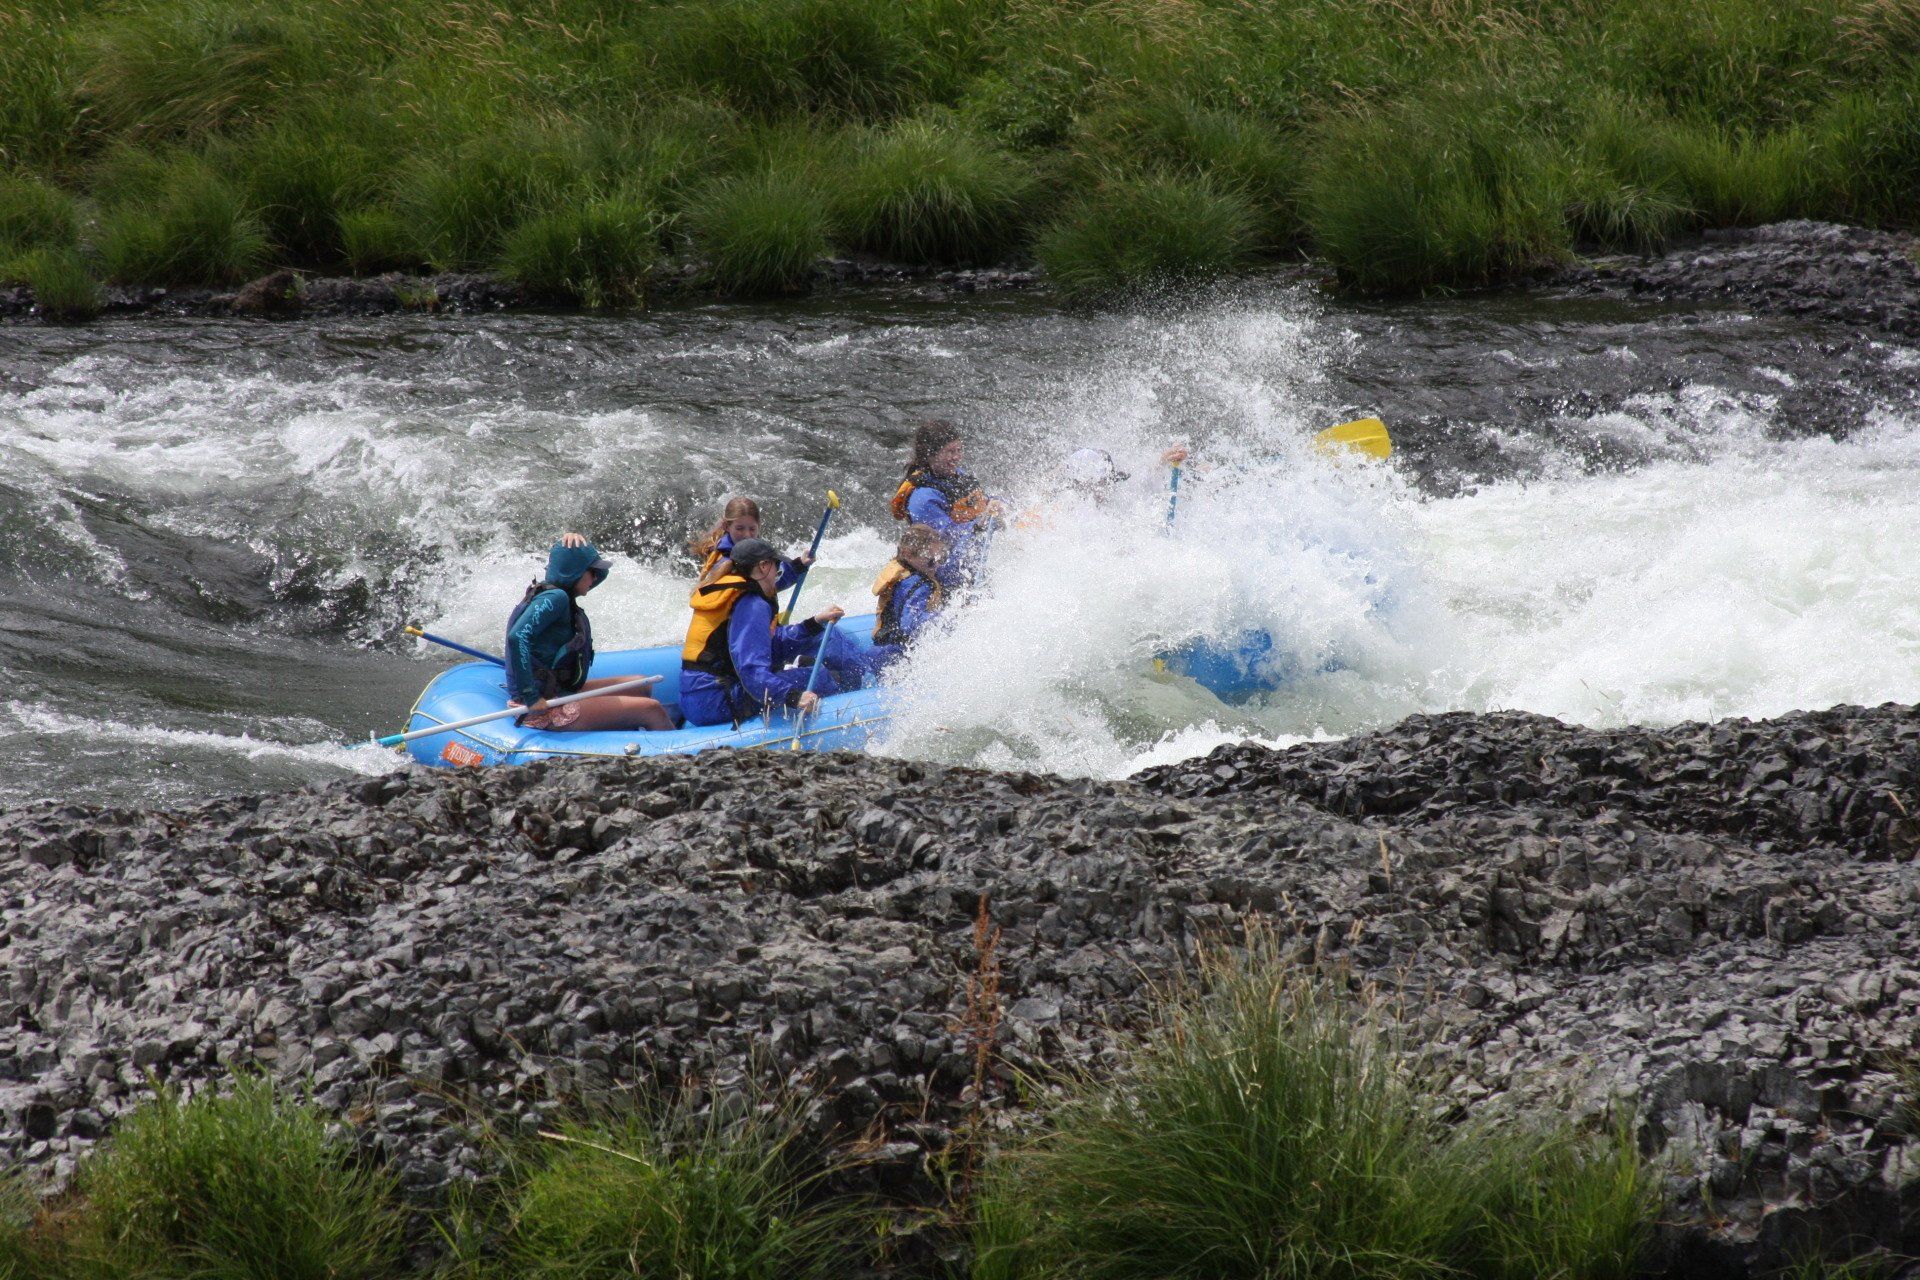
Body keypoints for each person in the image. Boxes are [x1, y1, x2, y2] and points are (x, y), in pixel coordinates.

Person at [680, 537, 869, 727]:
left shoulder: (741, 595)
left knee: (813, 660)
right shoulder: (752, 605)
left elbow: (768, 644)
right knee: (820, 676)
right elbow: (751, 670)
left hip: (702, 696)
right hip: (717, 700)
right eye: (776, 566)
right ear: (763, 567)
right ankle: (854, 717)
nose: (778, 573)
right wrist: (793, 697)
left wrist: (813, 623)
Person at [506, 539, 673, 732]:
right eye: (592, 572)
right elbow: (517, 637)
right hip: (542, 707)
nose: (595, 579)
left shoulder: (558, 593)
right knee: (651, 709)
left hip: (557, 690)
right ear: (574, 573)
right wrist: (530, 695)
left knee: (642, 685)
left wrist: (572, 544)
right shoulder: (556, 598)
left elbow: (598, 575)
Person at [869, 524, 948, 667]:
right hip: (895, 656)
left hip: (882, 648)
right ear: (908, 554)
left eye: (940, 559)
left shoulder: (903, 572)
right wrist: (949, 618)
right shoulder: (917, 586)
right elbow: (912, 624)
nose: (937, 565)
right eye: (931, 561)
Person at [690, 496, 811, 587]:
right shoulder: (725, 562)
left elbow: (772, 574)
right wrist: (796, 569)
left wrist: (800, 564)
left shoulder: (751, 551)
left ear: (759, 526)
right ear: (726, 526)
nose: (747, 535)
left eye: (752, 529)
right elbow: (765, 585)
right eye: (740, 528)